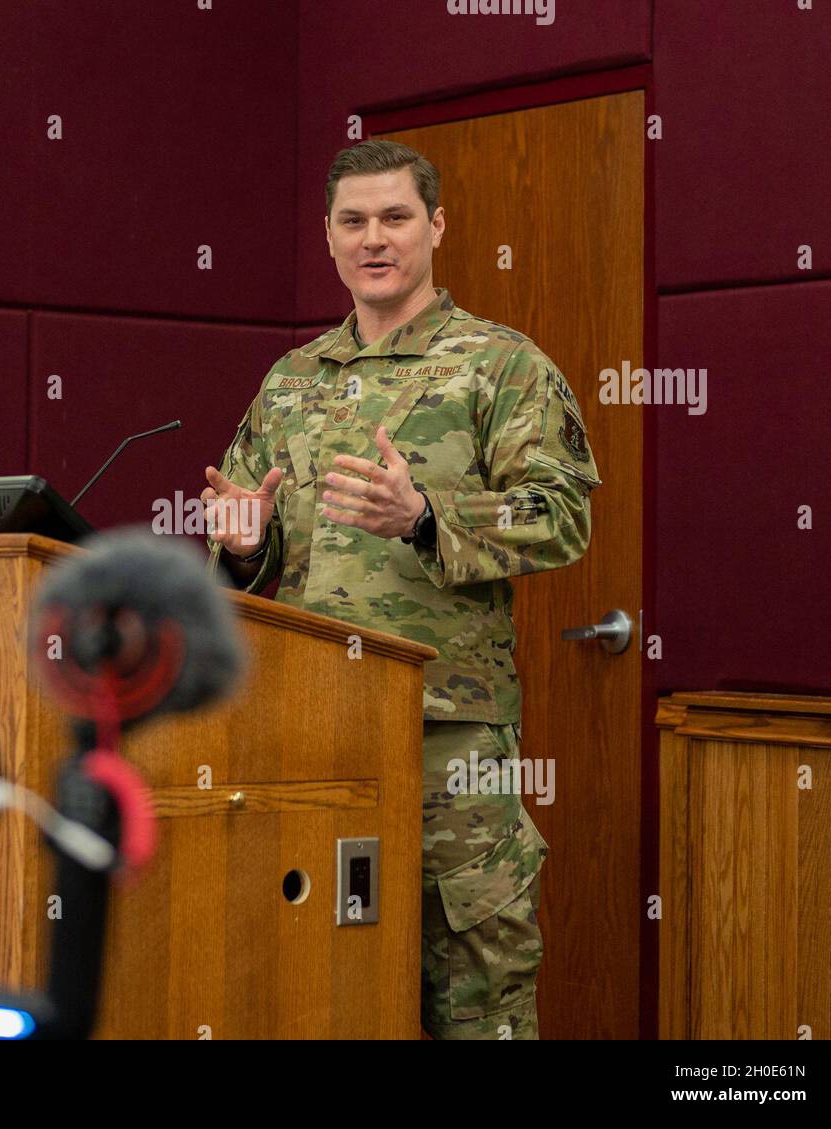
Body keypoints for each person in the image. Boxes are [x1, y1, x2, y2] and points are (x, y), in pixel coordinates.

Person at [201, 138, 601, 1039]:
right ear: (329, 236)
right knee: (321, 982)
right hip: (310, 726)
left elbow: (564, 515)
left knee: (477, 988)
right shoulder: (291, 380)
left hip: (447, 734)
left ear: (437, 226)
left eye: (394, 217)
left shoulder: (498, 364)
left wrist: (427, 515)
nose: (373, 239)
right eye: (353, 221)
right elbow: (247, 546)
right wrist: (239, 549)